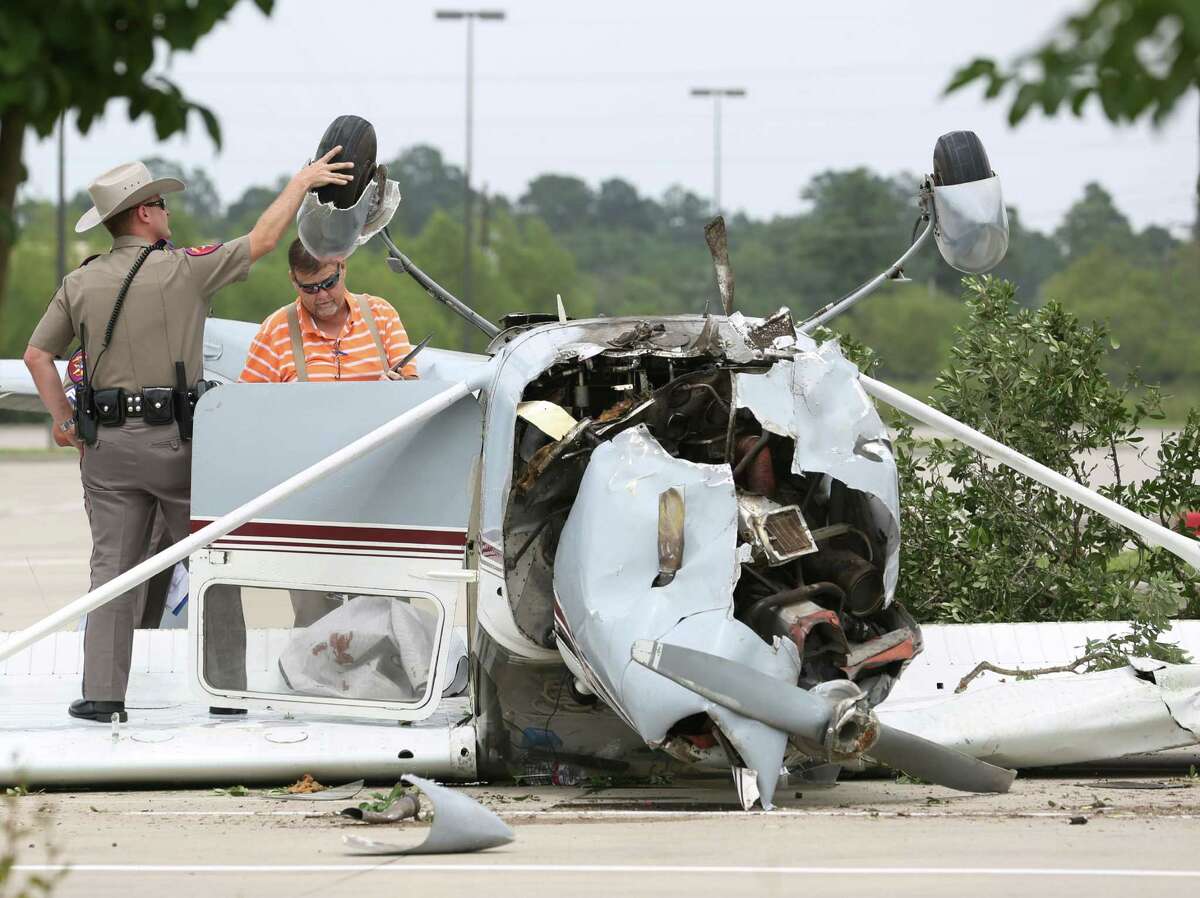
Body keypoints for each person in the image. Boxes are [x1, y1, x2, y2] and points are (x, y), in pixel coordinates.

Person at [22, 149, 355, 723]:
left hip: (107, 450)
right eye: (161, 203)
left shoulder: (79, 281)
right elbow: (264, 240)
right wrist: (300, 182)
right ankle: (226, 689)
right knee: (210, 567)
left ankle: (103, 695)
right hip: (176, 445)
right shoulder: (185, 268)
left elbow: (37, 355)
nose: (168, 212)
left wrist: (67, 422)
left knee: (112, 573)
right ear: (143, 215)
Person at [239, 238, 419, 384]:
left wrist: (398, 387)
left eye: (329, 283)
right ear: (294, 280)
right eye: (310, 288)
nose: (322, 296)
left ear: (343, 267)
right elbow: (246, 404)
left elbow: (412, 387)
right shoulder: (275, 329)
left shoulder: (381, 313)